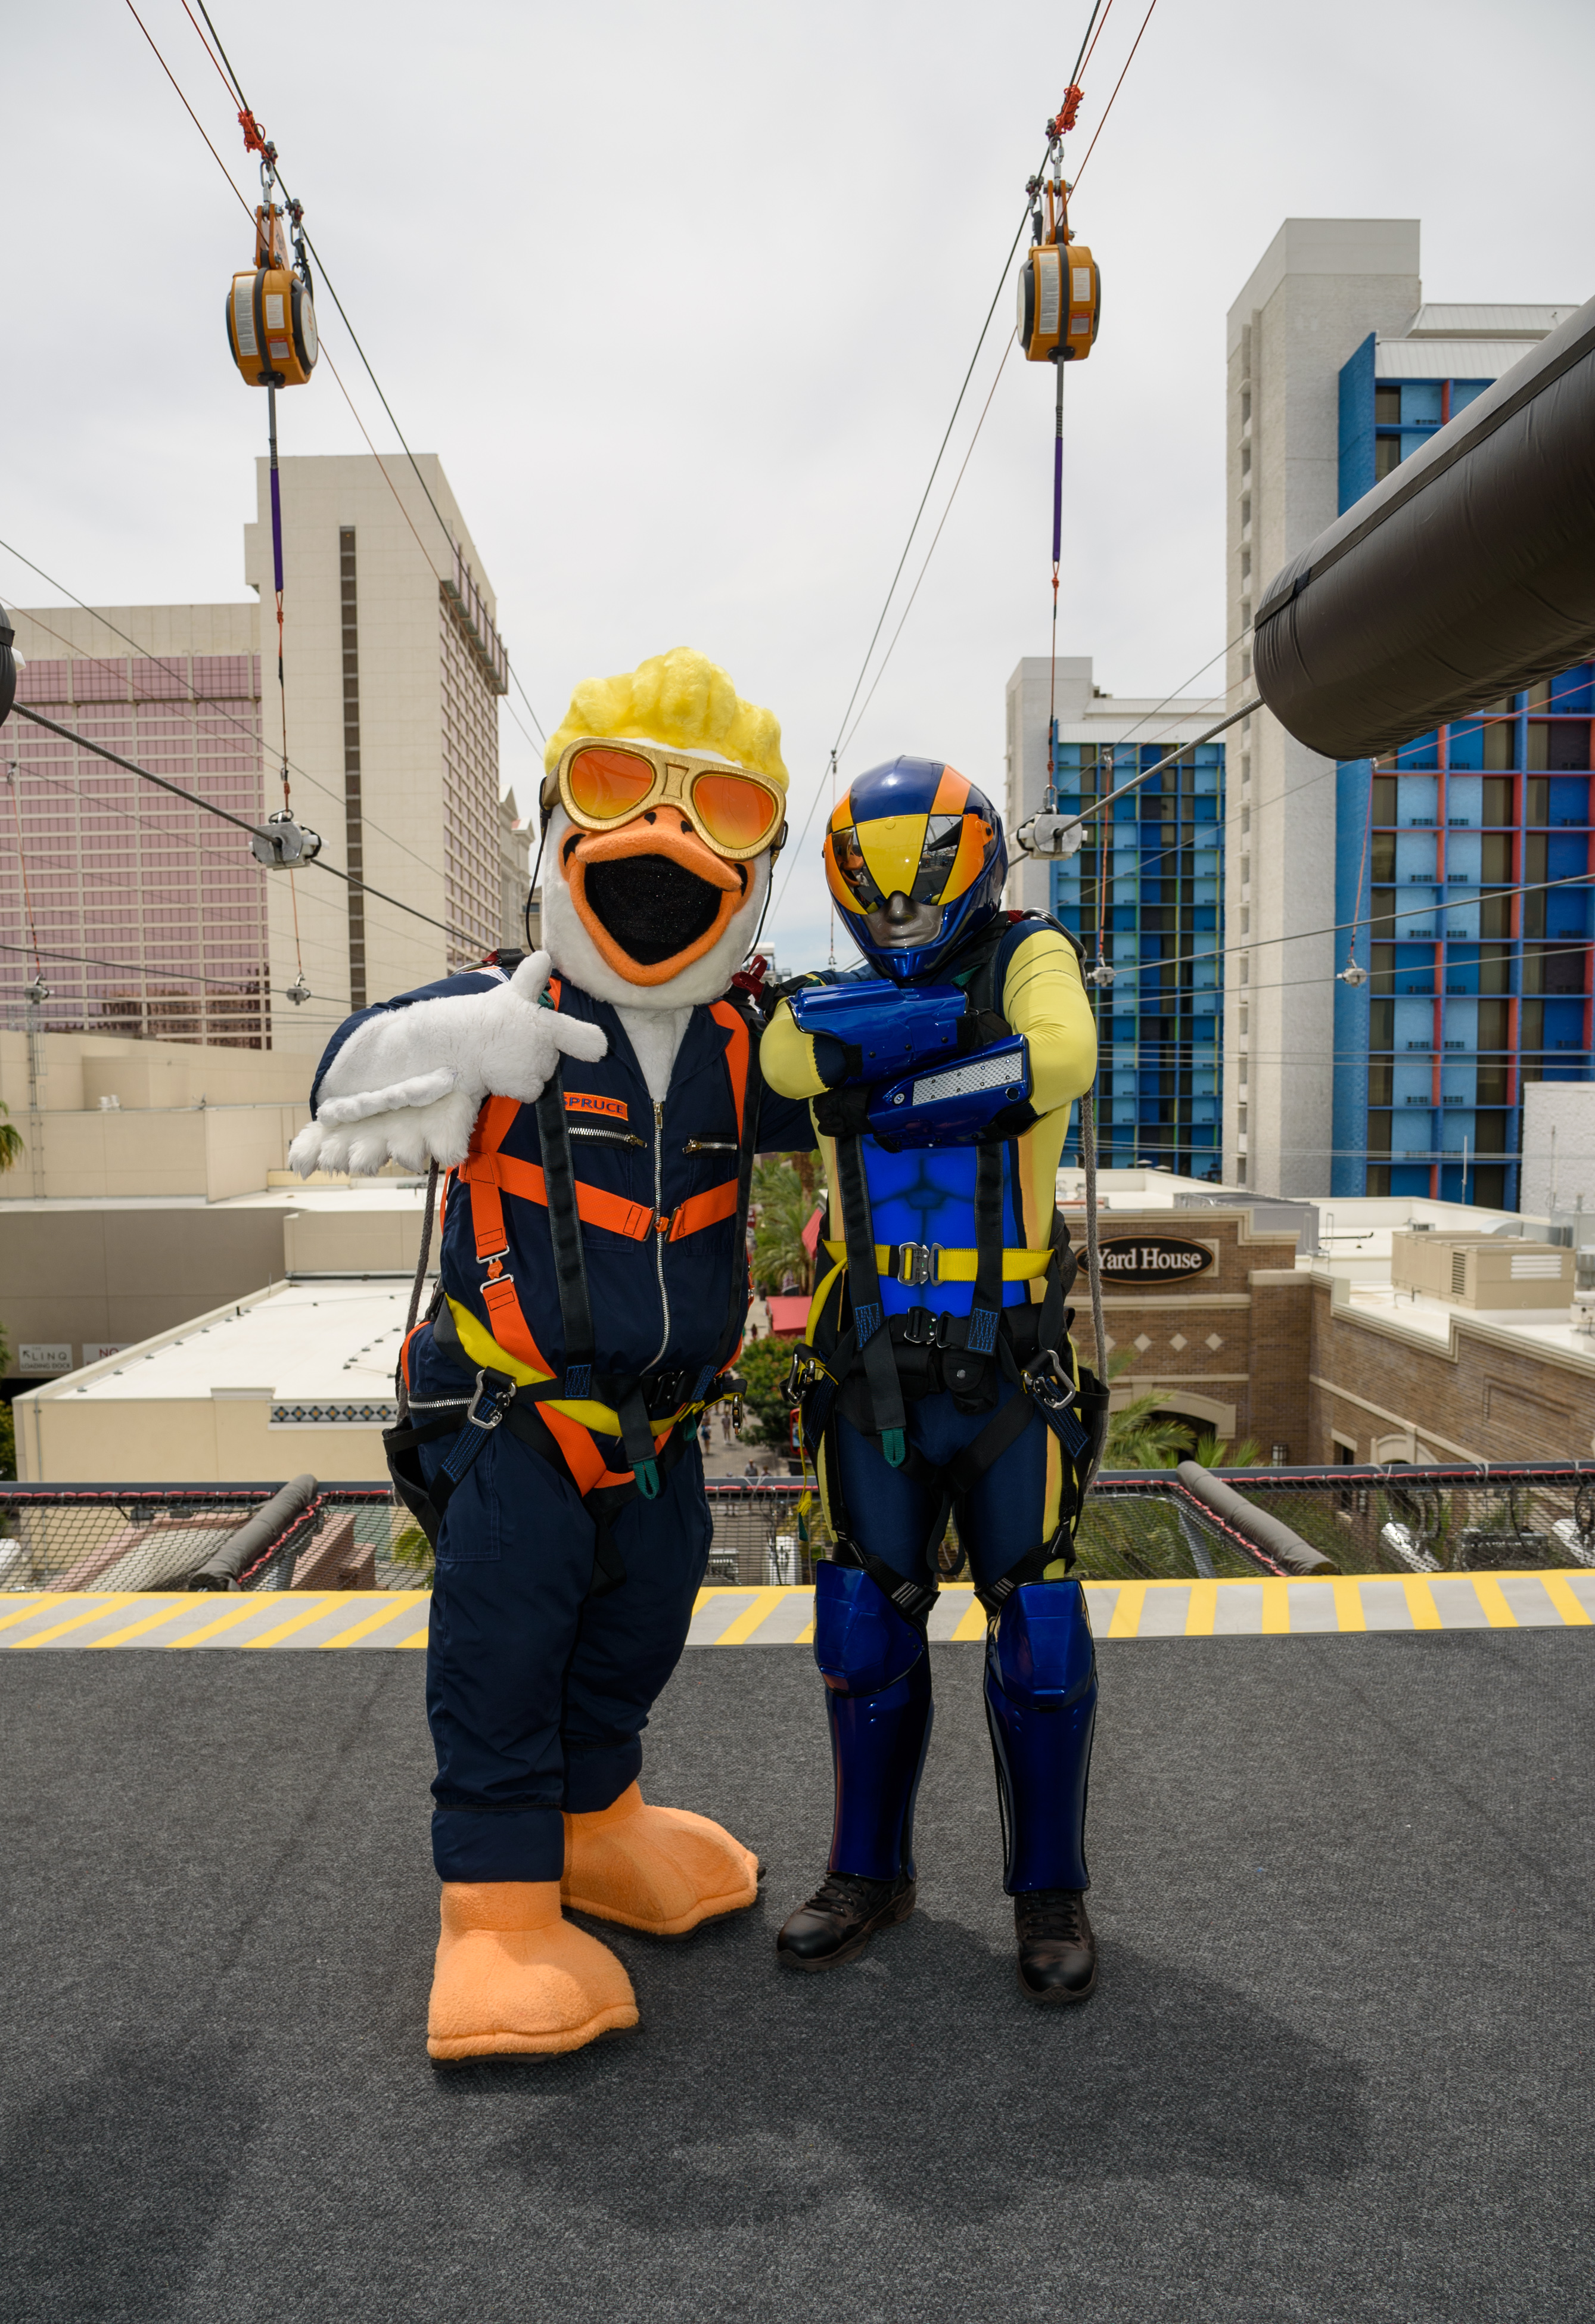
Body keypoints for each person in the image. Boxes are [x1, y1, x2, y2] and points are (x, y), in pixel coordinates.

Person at [292, 649, 814, 2059]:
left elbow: (869, 1079)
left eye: (717, 814)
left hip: (661, 1432)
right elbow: (343, 1077)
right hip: (511, 1420)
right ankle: (499, 1912)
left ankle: (596, 1829)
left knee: (637, 1632)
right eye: (618, 791)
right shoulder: (496, 1010)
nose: (663, 843)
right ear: (555, 826)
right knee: (503, 1651)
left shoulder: (741, 1040)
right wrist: (460, 1036)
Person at [759, 755, 1104, 2002]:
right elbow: (789, 1061)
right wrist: (952, 1061)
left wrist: (892, 1075)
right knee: (858, 1630)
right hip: (870, 1368)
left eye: (923, 885)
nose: (901, 912)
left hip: (1007, 1356)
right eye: (877, 889)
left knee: (1044, 1637)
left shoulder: (1027, 952)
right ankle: (866, 1875)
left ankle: (1050, 1893)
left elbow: (1060, 1056)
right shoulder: (832, 999)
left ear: (972, 864)